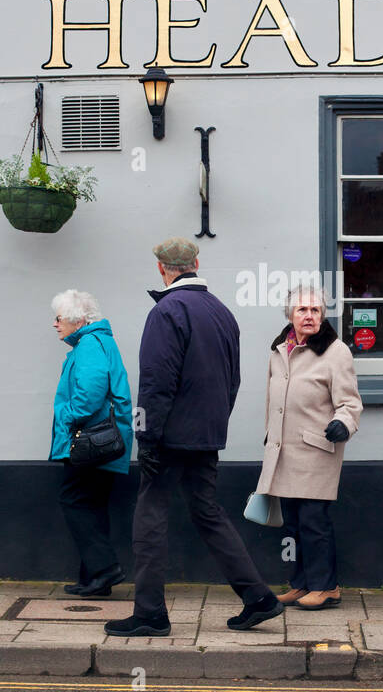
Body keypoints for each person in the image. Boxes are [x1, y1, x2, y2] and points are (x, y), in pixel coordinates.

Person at [105, 238, 284, 637]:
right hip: (205, 434)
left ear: (161, 269)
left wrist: (146, 436)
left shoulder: (166, 311)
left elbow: (156, 380)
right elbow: (233, 380)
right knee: (208, 513)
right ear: (196, 263)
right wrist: (213, 423)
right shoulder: (222, 312)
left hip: (168, 436)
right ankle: (258, 597)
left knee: (150, 516)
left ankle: (150, 613)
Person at [256, 284, 362, 611]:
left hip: (316, 450)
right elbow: (273, 402)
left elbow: (350, 402)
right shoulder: (280, 350)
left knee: (314, 522)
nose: (309, 316)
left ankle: (326, 586)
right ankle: (300, 583)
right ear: (290, 314)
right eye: (302, 310)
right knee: (293, 523)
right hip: (282, 451)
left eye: (315, 310)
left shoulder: (336, 351)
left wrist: (343, 423)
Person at [49, 289, 134, 597]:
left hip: (90, 443)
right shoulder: (99, 342)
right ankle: (94, 580)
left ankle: (104, 569)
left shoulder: (90, 345)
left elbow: (89, 397)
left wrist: (66, 418)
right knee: (92, 505)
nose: (55, 325)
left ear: (78, 320)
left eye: (59, 319)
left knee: (74, 501)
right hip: (104, 442)